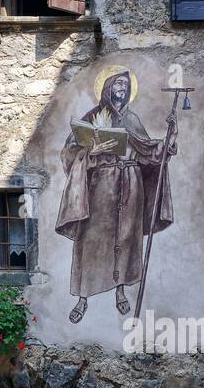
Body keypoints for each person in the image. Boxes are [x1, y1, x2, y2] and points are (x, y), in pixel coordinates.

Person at [55, 69, 177, 324]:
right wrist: (92, 151)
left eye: (125, 83)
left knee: (126, 237)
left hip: (131, 184)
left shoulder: (132, 120)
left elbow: (149, 152)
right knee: (91, 241)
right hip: (102, 185)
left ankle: (120, 291)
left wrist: (169, 138)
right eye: (117, 83)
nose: (121, 87)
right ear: (107, 87)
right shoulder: (92, 117)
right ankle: (82, 297)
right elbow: (69, 154)